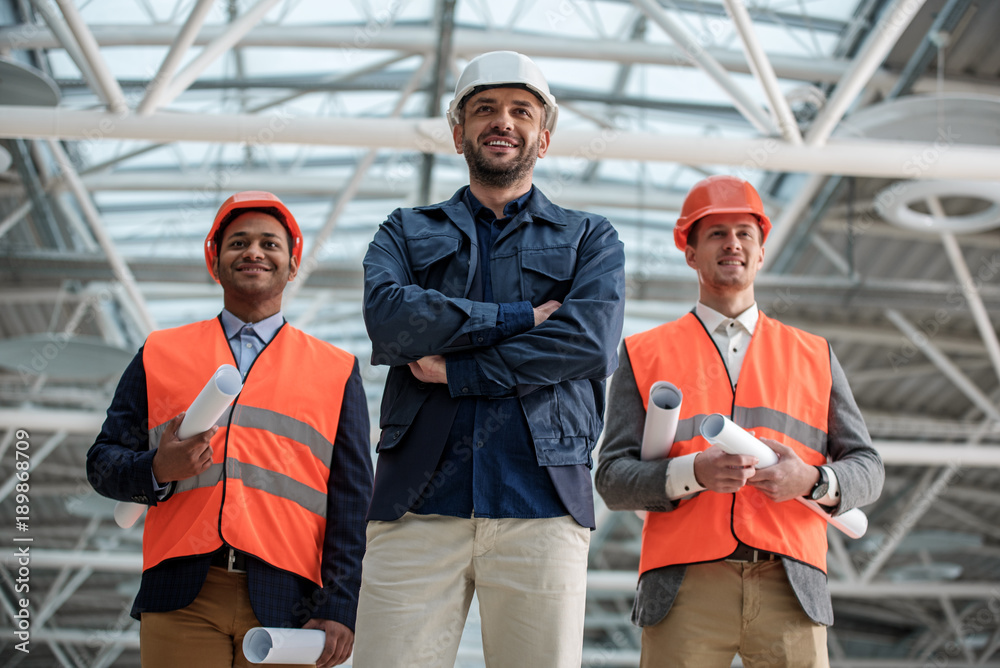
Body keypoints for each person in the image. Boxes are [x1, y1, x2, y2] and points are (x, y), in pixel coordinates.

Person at [355, 51, 626, 666]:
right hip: (415, 506)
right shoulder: (404, 229)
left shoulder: (591, 238)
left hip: (542, 500)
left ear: (544, 137)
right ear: (458, 133)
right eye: (484, 110)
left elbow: (587, 343)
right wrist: (520, 319)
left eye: (520, 112)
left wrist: (459, 369)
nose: (502, 122)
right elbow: (392, 321)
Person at [594, 175, 884, 668]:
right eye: (716, 233)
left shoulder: (815, 355)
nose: (733, 244)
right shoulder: (643, 354)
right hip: (683, 585)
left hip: (790, 585)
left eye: (745, 233)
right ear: (690, 253)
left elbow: (869, 468)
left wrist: (814, 480)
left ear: (761, 252)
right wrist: (693, 475)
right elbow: (611, 480)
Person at [87, 191, 374, 668]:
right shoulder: (161, 353)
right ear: (214, 262)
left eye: (270, 243)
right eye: (238, 242)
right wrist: (157, 468)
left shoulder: (336, 369)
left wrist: (340, 605)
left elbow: (351, 499)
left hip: (289, 601)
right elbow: (102, 463)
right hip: (182, 594)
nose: (254, 252)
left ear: (292, 263)